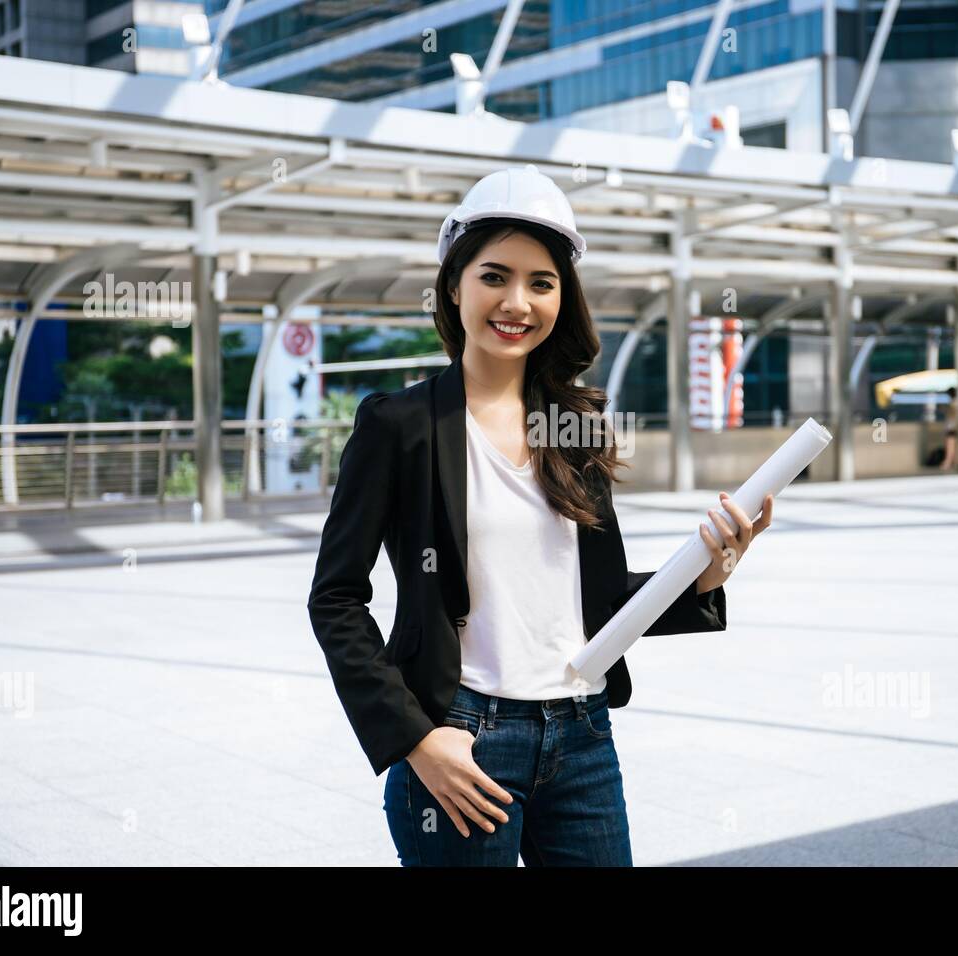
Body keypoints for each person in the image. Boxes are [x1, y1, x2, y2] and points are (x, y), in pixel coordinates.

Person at [306, 164, 774, 867]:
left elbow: (595, 601)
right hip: (461, 737)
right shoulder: (400, 426)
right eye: (495, 276)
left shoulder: (575, 425)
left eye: (541, 282)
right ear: (454, 284)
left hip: (582, 736)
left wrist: (707, 573)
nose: (516, 301)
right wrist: (414, 739)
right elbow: (336, 597)